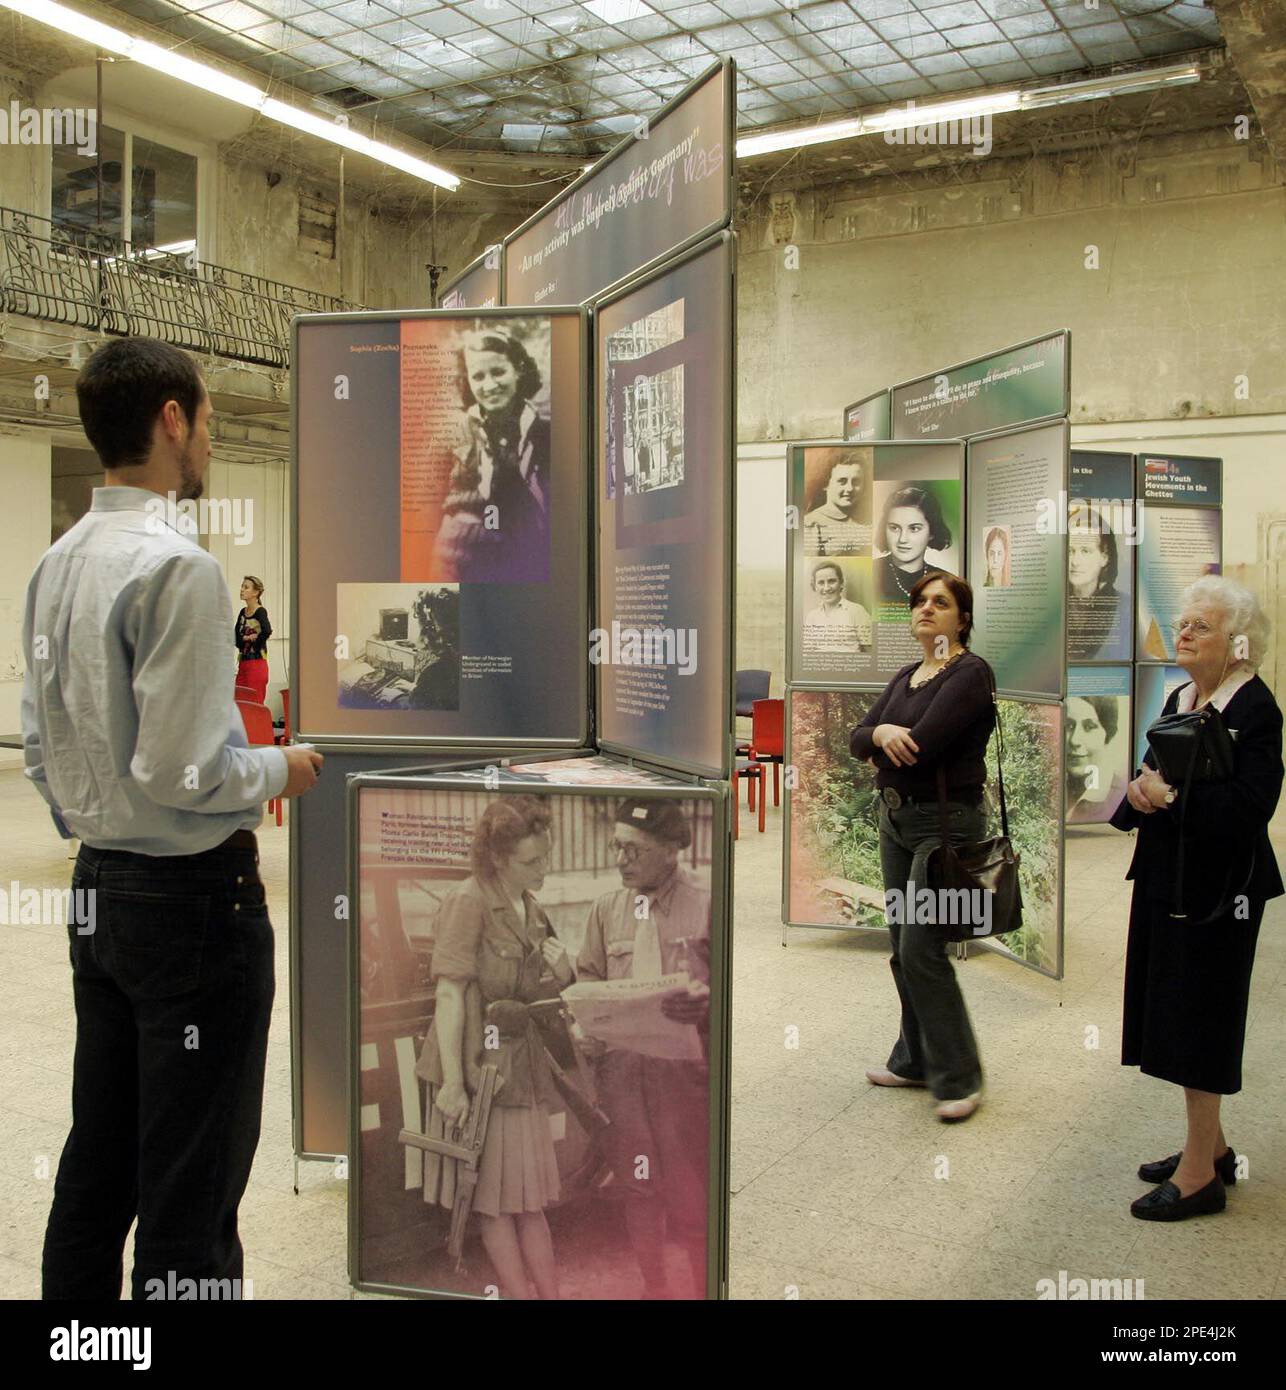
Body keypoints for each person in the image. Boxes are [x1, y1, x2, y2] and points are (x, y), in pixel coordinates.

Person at [21, 336, 323, 1300]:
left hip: (100, 894)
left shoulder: (57, 564)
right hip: (194, 906)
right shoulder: (179, 569)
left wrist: (98, 816)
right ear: (171, 421)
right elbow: (186, 766)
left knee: (97, 1167)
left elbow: (40, 748)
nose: (211, 441)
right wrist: (289, 764)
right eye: (208, 419)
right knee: (191, 1192)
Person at [1109, 577, 1282, 1221]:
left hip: (1222, 890)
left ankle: (1199, 1175)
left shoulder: (1255, 708)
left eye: (1199, 626)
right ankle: (1213, 1147)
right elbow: (1154, 775)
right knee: (1175, 1010)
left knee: (1201, 1016)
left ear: (1237, 643)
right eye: (1182, 623)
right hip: (1169, 875)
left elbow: (1250, 806)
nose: (1182, 633)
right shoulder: (1182, 694)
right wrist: (1136, 796)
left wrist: (1171, 799)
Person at [849, 574, 996, 1122]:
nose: (927, 609)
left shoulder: (970, 673)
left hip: (945, 827)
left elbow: (925, 747)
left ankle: (960, 1076)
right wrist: (881, 735)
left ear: (962, 618)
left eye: (942, 603)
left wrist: (882, 741)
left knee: (921, 948)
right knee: (899, 943)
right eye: (920, 602)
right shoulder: (908, 675)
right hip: (896, 822)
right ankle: (914, 1060)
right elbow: (858, 736)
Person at [416, 796, 571, 1298]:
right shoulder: (469, 899)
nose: (543, 869)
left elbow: (544, 995)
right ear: (499, 858)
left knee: (529, 1202)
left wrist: (564, 969)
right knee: (494, 1205)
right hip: (480, 1076)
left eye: (546, 857)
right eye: (532, 861)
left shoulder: (531, 906)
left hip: (520, 1075)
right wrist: (454, 1085)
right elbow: (449, 992)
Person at [576, 800, 712, 1299]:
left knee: (689, 1189)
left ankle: (700, 1289)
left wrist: (708, 1003)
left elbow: (729, 988)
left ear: (672, 849)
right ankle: (654, 1289)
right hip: (624, 1075)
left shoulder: (705, 902)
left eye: (633, 849)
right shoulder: (606, 909)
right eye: (617, 847)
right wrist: (586, 1022)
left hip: (683, 1077)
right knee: (638, 1185)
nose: (621, 860)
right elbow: (588, 976)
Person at [434, 328, 550, 584]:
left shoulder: (544, 433)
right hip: (458, 559)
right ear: (468, 382)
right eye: (478, 376)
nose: (489, 386)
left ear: (518, 370)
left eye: (498, 372)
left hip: (521, 557)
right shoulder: (455, 433)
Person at [1067, 506, 1127, 659]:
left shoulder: (1127, 608)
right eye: (1070, 551)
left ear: (1104, 557)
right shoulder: (1050, 608)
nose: (1075, 561)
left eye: (1085, 551)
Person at [875, 485, 952, 603]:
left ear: (932, 532)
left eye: (914, 528)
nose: (902, 539)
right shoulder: (870, 573)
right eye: (894, 528)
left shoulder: (947, 582)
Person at [1066, 695, 1128, 823]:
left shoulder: (1120, 798)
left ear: (1108, 734)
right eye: (1068, 726)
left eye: (1089, 727)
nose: (1074, 740)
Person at [801, 560, 872, 656]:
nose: (826, 588)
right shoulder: (812, 616)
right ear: (815, 587)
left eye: (831, 581)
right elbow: (807, 654)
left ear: (841, 583)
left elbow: (869, 652)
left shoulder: (857, 611)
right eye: (821, 583)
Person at [803, 452, 869, 555]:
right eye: (842, 481)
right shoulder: (811, 523)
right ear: (826, 484)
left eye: (856, 482)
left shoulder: (868, 520)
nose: (849, 488)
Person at [234, 575, 271, 704]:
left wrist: (255, 644)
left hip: (256, 662)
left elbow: (266, 630)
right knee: (239, 700)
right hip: (243, 662)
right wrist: (246, 638)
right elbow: (236, 636)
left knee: (255, 701)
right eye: (242, 586)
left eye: (246, 587)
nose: (242, 590)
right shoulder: (242, 612)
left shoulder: (260, 611)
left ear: (255, 592)